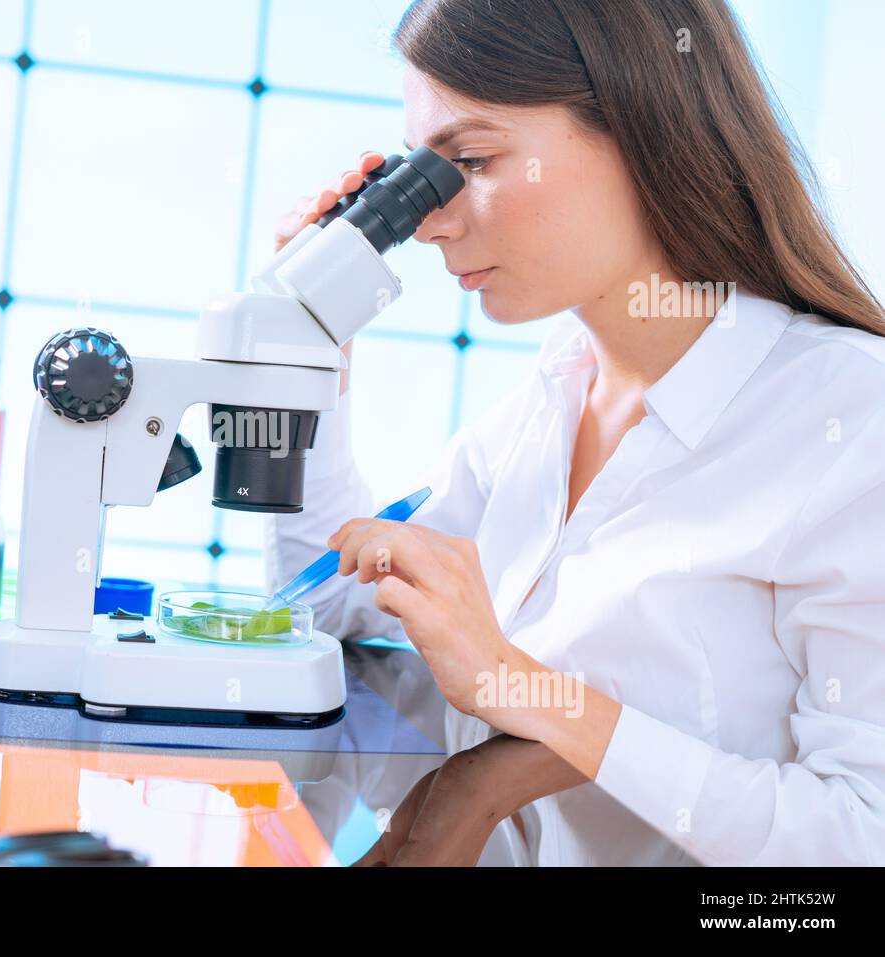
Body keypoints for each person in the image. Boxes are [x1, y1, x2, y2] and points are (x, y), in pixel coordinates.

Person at [268, 0, 885, 866]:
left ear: (638, 124)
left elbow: (862, 838)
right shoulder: (553, 400)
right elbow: (326, 599)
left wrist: (523, 708)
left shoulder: (851, 417)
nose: (434, 220)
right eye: (425, 176)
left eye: (472, 161)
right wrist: (306, 356)